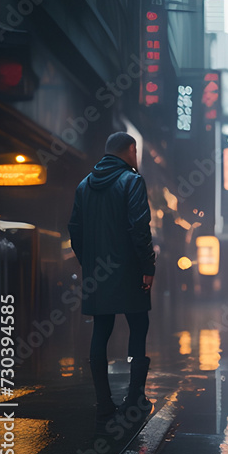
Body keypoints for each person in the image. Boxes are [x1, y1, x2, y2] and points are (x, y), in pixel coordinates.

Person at [68, 132, 156, 429]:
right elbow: (139, 227)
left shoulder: (84, 185)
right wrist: (148, 266)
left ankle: (104, 405)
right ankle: (134, 400)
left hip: (97, 273)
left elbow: (75, 230)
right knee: (138, 326)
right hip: (130, 270)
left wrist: (89, 263)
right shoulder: (132, 181)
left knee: (101, 332)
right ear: (130, 150)